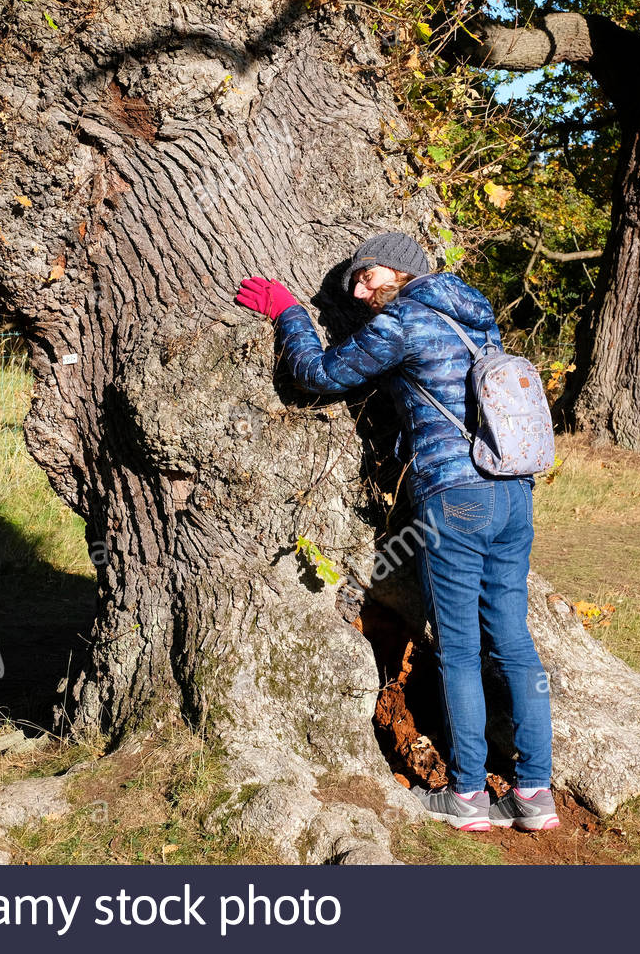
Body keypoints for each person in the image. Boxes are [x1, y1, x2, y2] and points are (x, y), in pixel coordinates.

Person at [235, 232, 558, 833]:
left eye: (369, 274)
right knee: (513, 641)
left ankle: (467, 798)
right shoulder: (477, 314)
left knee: (460, 648)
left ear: (404, 272)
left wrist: (289, 314)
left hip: (456, 496)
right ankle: (535, 793)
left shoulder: (406, 320)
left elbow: (319, 374)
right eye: (354, 281)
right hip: (514, 492)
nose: (360, 290)